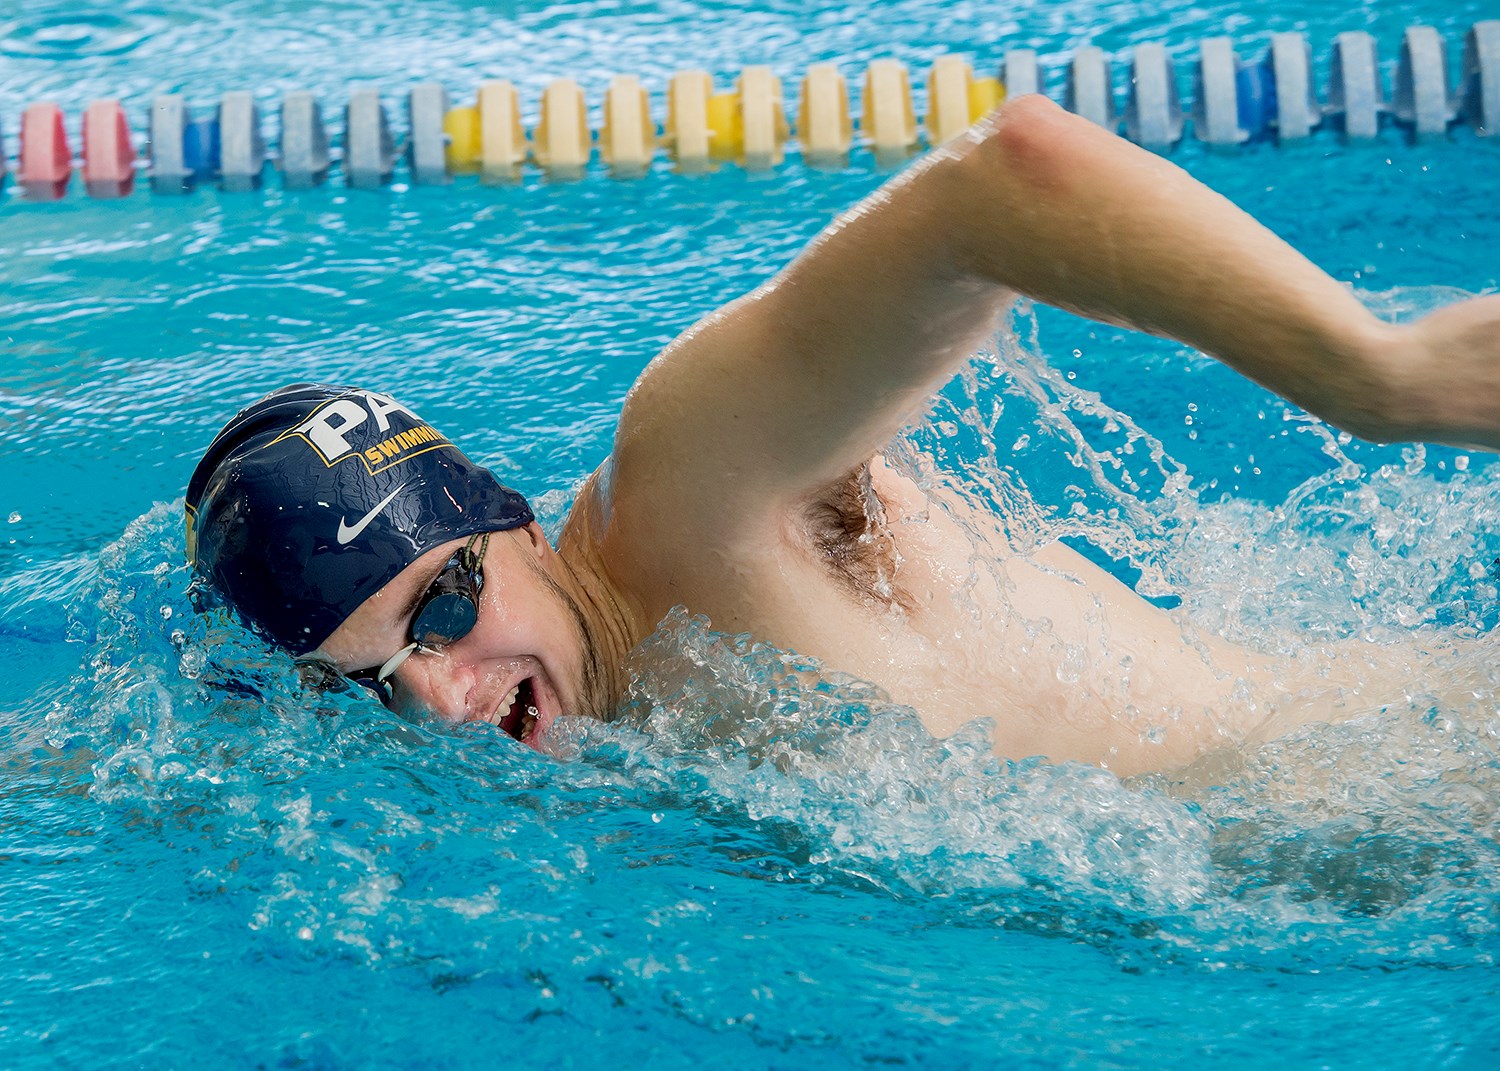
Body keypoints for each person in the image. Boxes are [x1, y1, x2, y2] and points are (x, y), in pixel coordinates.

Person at [185, 95, 1500, 776]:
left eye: (437, 614)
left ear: (510, 521)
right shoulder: (619, 708)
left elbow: (1005, 182)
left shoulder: (694, 489)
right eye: (372, 687)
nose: (438, 697)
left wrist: (1375, 379)